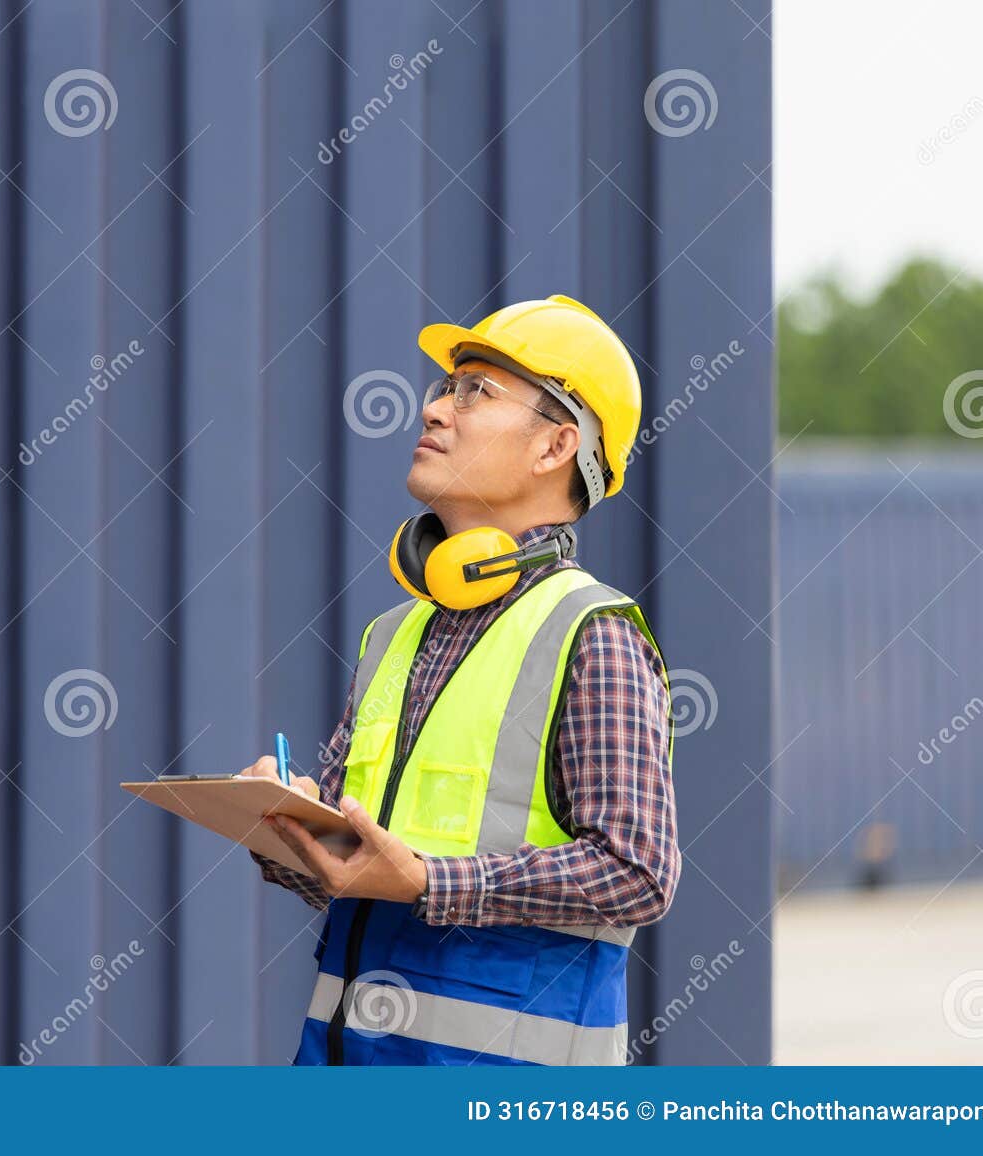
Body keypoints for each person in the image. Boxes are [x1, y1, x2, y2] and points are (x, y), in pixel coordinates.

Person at [242, 294, 678, 1066]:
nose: (436, 407)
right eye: (446, 386)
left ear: (555, 447)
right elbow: (362, 873)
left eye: (476, 390)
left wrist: (429, 883)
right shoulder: (397, 633)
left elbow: (636, 872)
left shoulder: (591, 633)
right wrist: (288, 832)